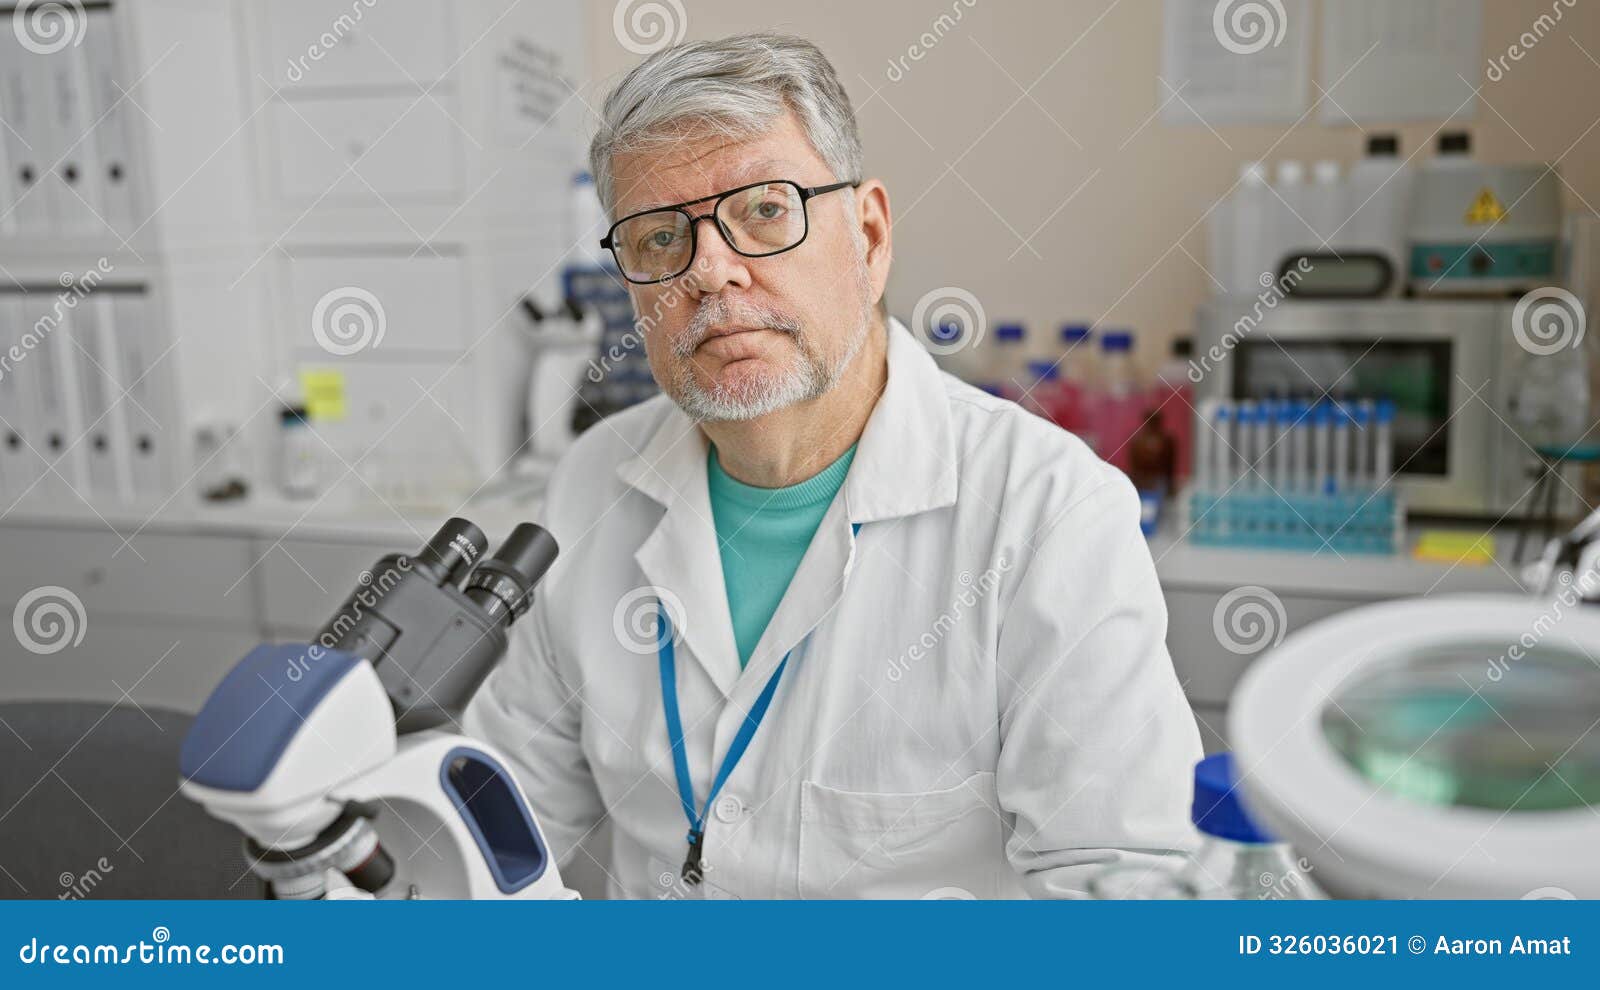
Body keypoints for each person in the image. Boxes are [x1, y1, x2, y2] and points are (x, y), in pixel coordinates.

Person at [464, 32, 1200, 899]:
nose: (710, 272)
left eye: (766, 210)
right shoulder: (591, 481)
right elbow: (498, 830)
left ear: (870, 235)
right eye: (661, 237)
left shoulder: (1047, 510)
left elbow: (1124, 891)